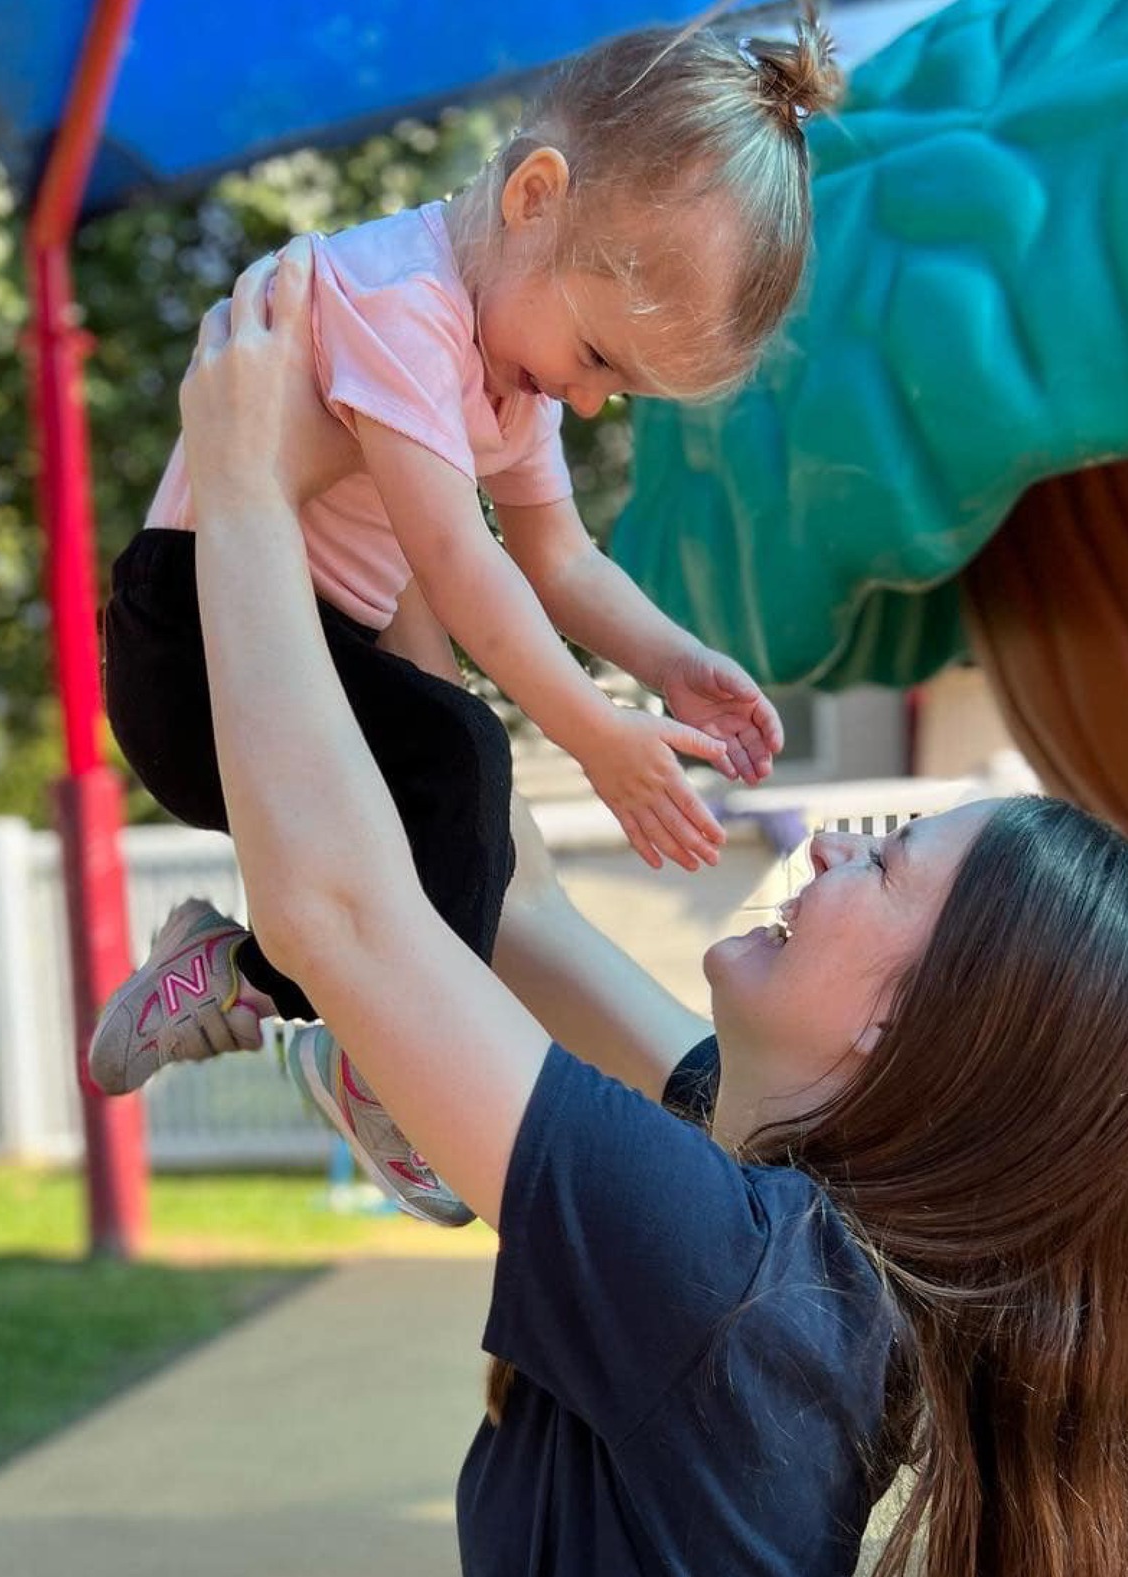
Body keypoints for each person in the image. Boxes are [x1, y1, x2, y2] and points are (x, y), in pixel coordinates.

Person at [106, 244, 1128, 1577]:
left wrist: (238, 485)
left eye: (886, 867)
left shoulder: (722, 1271)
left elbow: (337, 911)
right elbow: (505, 910)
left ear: (906, 1034)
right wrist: (420, 499)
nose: (829, 854)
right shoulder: (768, 1206)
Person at [86, 13, 848, 1221]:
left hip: (310, 642)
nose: (589, 402)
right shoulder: (402, 302)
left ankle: (243, 977)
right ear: (534, 197)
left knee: (461, 803)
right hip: (189, 641)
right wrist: (597, 734)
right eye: (598, 356)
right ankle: (378, 1051)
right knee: (464, 755)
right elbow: (460, 564)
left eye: (619, 388)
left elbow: (557, 554)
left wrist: (673, 662)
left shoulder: (511, 356)